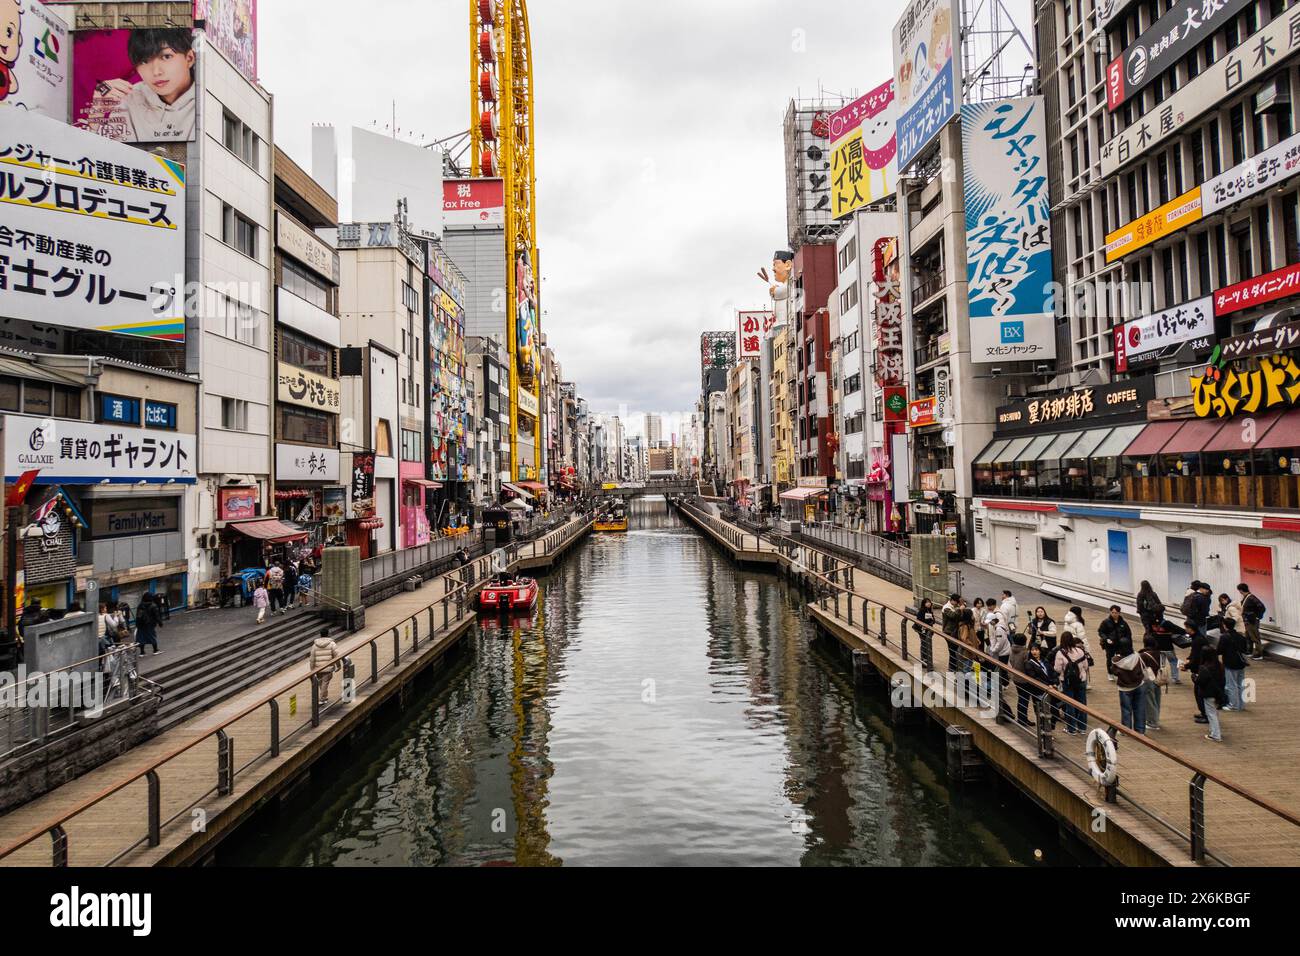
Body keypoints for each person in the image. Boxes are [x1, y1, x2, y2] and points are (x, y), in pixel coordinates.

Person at [84, 28, 197, 143]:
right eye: (144, 61)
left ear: (189, 58)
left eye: (166, 57)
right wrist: (96, 114)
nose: (156, 72)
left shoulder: (208, 100)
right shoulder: (130, 100)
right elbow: (107, 156)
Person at [1054, 631, 1090, 735]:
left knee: (1070, 705)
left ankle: (1071, 729)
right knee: (1082, 704)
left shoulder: (1060, 653)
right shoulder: (1080, 651)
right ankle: (1082, 727)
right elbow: (1086, 666)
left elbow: (1057, 669)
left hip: (1067, 682)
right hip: (1081, 680)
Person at [1109, 639, 1146, 735]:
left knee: (1126, 709)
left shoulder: (1116, 660)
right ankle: (1140, 730)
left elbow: (1114, 671)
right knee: (1140, 708)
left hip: (1125, 688)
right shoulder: (1137, 656)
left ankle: (1125, 730)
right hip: (1139, 685)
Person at [983, 596, 1011, 714]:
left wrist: (993, 650)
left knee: (1000, 668)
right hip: (998, 651)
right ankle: (1001, 683)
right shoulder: (995, 625)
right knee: (998, 669)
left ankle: (1003, 683)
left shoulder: (999, 628)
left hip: (1002, 652)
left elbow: (1000, 643)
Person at [1196, 645, 1227, 742]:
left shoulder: (1204, 668)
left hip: (1208, 693)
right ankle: (1214, 731)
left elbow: (1200, 681)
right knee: (1214, 713)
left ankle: (1215, 734)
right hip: (1218, 692)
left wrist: (1194, 678)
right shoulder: (1220, 665)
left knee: (1211, 714)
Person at [1219, 616, 1250, 712]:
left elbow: (1219, 650)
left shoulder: (1224, 637)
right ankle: (1241, 704)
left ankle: (1232, 705)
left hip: (1230, 663)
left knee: (1231, 684)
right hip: (1240, 663)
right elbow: (1245, 649)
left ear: (1225, 626)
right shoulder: (1241, 636)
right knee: (1240, 684)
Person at [1022, 640, 1054, 728]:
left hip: (1050, 689)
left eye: (1036, 649)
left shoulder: (1045, 661)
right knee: (1041, 711)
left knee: (1049, 711)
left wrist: (1054, 682)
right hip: (1038, 691)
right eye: (1032, 650)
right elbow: (1034, 678)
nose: (1034, 652)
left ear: (1040, 650)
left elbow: (1052, 672)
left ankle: (1047, 730)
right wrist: (1047, 685)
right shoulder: (1029, 663)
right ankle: (1043, 731)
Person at [1098, 605, 1133, 682]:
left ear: (1119, 613)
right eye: (1112, 612)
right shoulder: (1106, 622)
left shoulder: (1123, 623)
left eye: (1116, 613)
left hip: (1120, 644)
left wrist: (1129, 644)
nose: (1114, 614)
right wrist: (1106, 639)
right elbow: (1101, 632)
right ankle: (1110, 673)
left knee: (1121, 658)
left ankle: (1119, 673)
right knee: (1110, 658)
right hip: (1110, 644)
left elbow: (1128, 634)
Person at [1139, 635, 1165, 731]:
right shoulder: (1160, 653)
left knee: (1149, 702)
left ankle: (1152, 722)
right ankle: (1156, 718)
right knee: (1157, 700)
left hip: (1148, 680)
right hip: (1159, 679)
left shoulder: (1143, 654)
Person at [309, 628, 341, 704]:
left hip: (318, 668)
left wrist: (312, 669)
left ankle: (324, 697)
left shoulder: (314, 645)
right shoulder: (332, 644)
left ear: (320, 635)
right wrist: (338, 665)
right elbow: (336, 656)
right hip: (328, 667)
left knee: (321, 683)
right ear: (328, 634)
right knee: (325, 683)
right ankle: (322, 699)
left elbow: (312, 658)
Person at [1237, 583, 1266, 660]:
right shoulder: (1247, 597)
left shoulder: (1251, 598)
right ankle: (1249, 651)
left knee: (1255, 637)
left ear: (1240, 590)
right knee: (1249, 636)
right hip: (1248, 620)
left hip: (1252, 621)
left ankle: (1259, 654)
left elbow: (1262, 607)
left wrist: (1257, 617)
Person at [1009, 632, 1032, 726]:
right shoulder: (1025, 653)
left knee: (1021, 698)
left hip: (1016, 677)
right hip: (1024, 679)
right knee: (1024, 700)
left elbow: (1010, 661)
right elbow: (1028, 666)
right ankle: (1023, 719)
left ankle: (1022, 718)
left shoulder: (1012, 649)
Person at [913, 598, 936, 670]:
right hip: (922, 630)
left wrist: (931, 622)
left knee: (927, 644)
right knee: (924, 644)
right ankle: (924, 659)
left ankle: (927, 659)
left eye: (929, 602)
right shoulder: (922, 611)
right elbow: (919, 620)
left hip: (928, 631)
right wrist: (928, 622)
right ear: (924, 604)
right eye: (927, 602)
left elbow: (933, 620)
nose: (928, 603)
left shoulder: (930, 610)